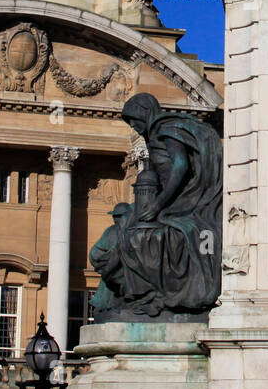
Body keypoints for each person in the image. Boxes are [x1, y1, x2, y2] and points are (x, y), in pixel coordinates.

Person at [88, 94, 223, 319]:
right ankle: (124, 296)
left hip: (183, 203)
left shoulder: (165, 129)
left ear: (145, 112)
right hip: (166, 201)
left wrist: (159, 204)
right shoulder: (156, 135)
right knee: (119, 232)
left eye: (134, 120)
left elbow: (181, 166)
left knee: (136, 237)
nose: (134, 127)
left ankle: (147, 296)